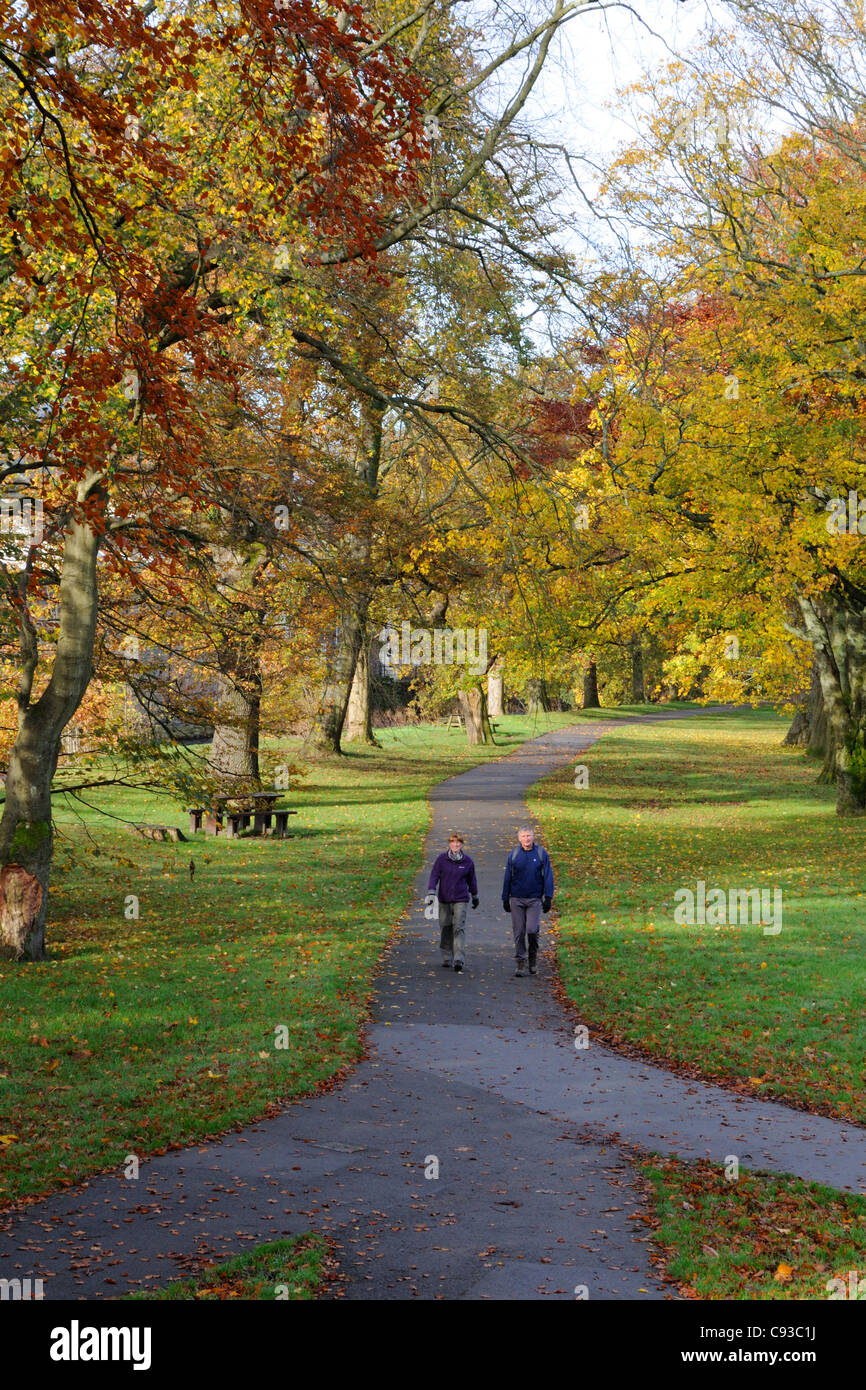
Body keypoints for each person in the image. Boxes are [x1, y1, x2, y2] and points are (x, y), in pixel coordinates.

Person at [502, 825, 554, 977]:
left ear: (533, 837)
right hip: (516, 898)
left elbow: (548, 876)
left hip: (534, 899)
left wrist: (548, 897)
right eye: (523, 836)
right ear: (519, 838)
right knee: (519, 932)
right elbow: (507, 878)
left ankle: (532, 958)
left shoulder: (540, 853)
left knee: (532, 930)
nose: (526, 839)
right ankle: (520, 962)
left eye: (529, 836)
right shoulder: (514, 854)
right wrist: (505, 898)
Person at [425, 832, 478, 973]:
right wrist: (431, 891)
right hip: (444, 899)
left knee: (458, 927)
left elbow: (472, 880)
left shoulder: (468, 862)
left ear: (462, 844)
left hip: (461, 899)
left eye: (458, 842)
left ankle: (459, 958)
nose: (456, 845)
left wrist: (475, 895)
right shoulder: (441, 860)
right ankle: (447, 955)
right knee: (446, 926)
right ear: (449, 844)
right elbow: (434, 875)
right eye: (453, 842)